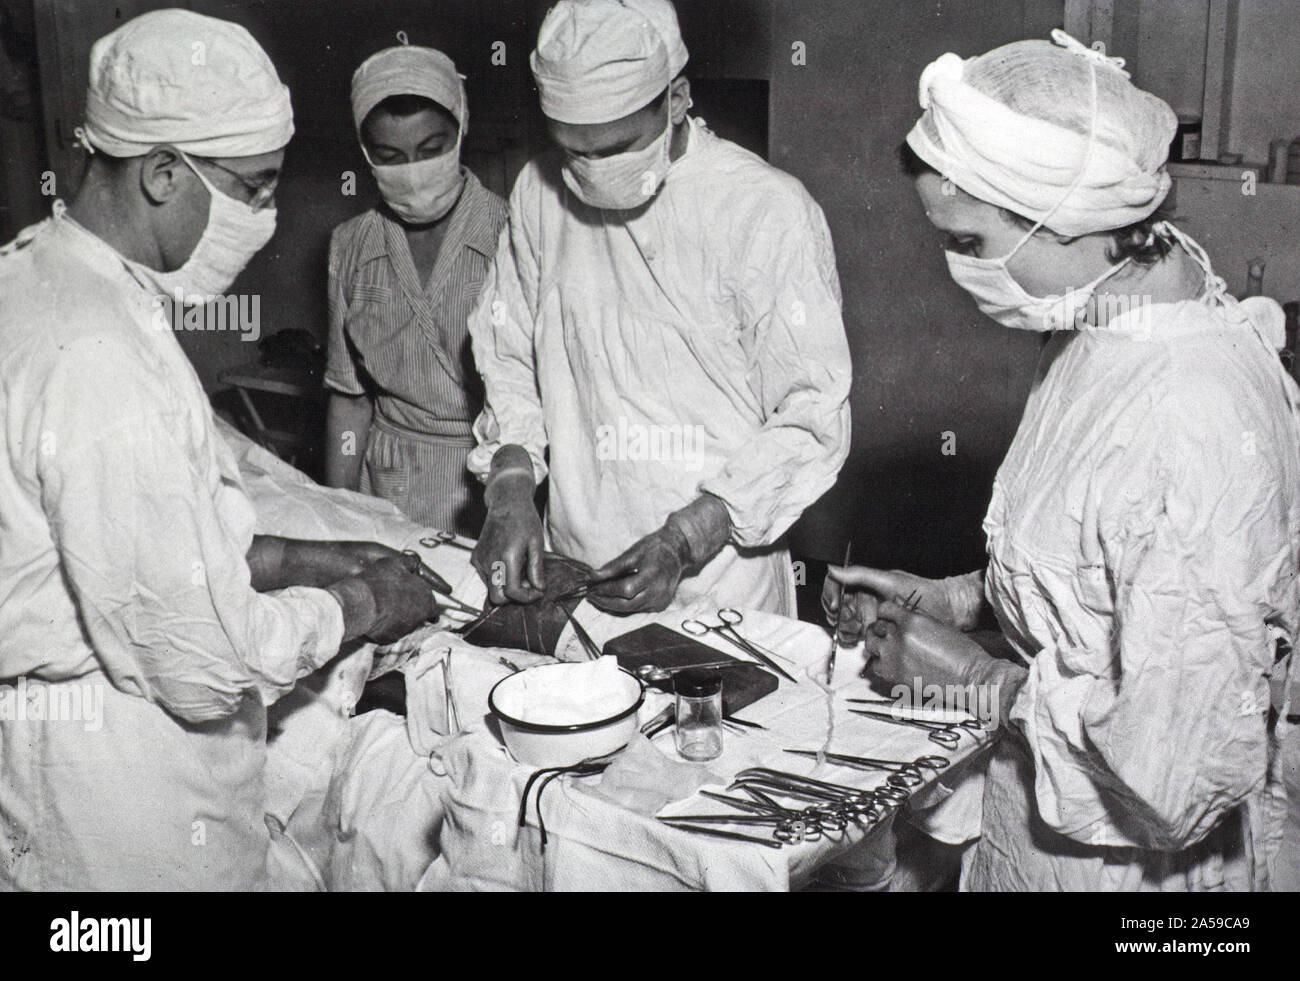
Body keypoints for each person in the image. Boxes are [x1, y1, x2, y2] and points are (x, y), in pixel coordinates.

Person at [825, 31, 1300, 891]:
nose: (957, 267)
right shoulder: (1102, 319)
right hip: (1039, 827)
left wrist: (971, 677)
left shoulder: (1189, 414)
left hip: (1141, 877)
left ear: (1071, 220)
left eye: (970, 242)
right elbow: (1103, 572)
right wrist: (961, 598)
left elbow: (1173, 772)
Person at [0, 9, 434, 890]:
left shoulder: (45, 276)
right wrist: (361, 600)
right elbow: (206, 664)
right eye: (255, 187)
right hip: (119, 806)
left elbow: (166, 545)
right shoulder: (98, 360)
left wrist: (316, 553)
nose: (268, 216)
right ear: (163, 173)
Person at [468, 0, 851, 615]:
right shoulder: (538, 194)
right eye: (573, 152)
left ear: (676, 99)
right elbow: (508, 352)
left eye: (617, 147)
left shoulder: (764, 211)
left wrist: (685, 537)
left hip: (720, 578)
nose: (592, 174)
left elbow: (811, 413)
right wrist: (512, 485)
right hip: (571, 561)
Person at [324, 37, 507, 536]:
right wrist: (337, 509)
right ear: (366, 153)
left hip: (490, 485)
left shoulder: (510, 235)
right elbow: (350, 397)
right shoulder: (352, 246)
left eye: (431, 149)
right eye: (390, 155)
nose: (414, 172)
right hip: (385, 485)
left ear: (462, 129)